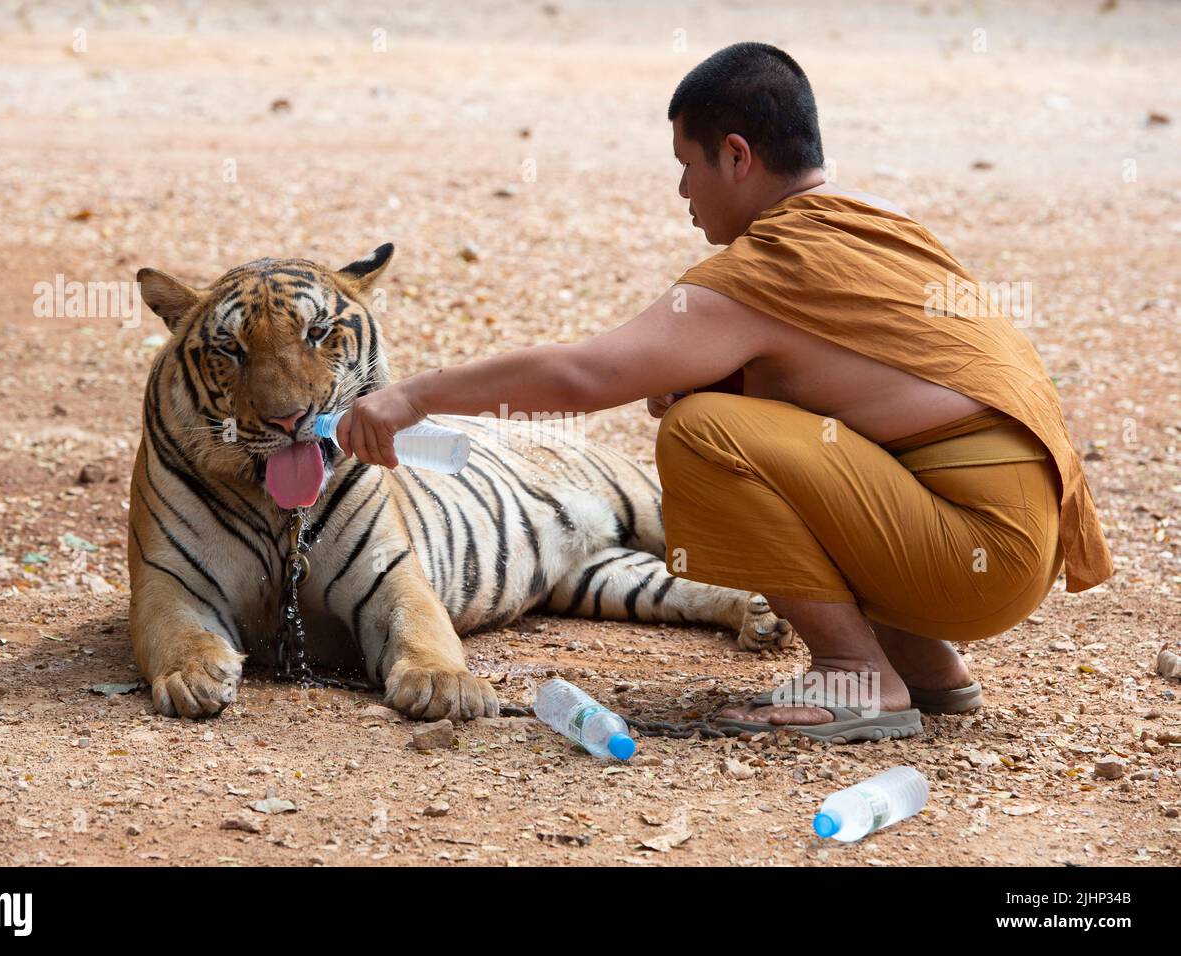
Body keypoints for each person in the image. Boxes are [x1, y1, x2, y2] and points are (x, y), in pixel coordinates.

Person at [333, 42, 1113, 742]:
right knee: (745, 415)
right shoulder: (877, 221)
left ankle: (857, 673)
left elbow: (589, 375)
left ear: (736, 156)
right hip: (1012, 546)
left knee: (705, 429)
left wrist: (417, 396)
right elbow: (887, 391)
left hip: (970, 552)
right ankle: (924, 667)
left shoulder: (766, 269)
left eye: (687, 162)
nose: (681, 188)